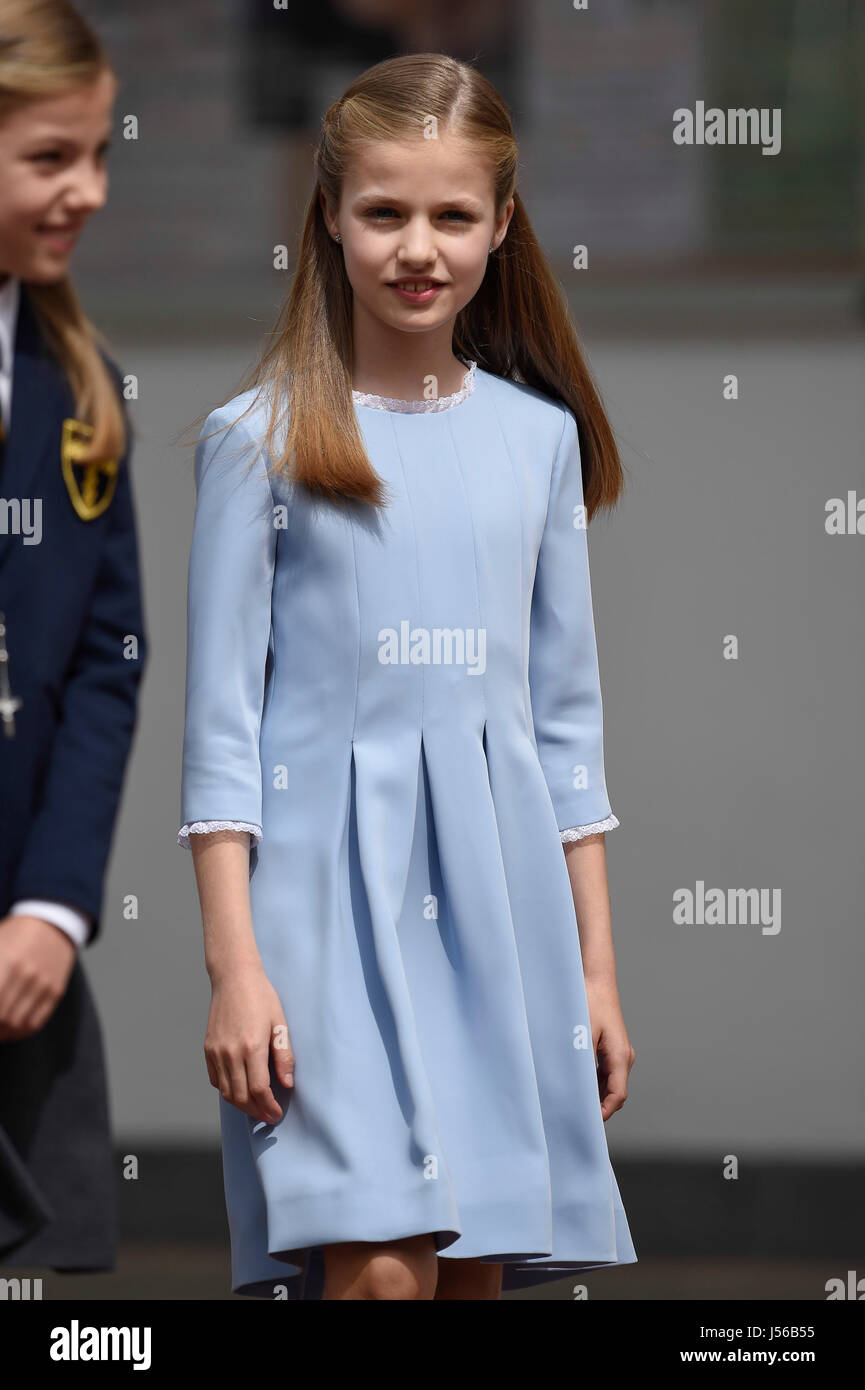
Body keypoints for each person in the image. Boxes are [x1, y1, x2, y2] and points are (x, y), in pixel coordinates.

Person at [178, 51, 636, 1301]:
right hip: (317, 917)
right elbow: (220, 732)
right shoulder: (255, 441)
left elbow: (564, 731)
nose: (417, 246)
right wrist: (235, 967)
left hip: (502, 908)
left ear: (501, 224)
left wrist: (596, 973)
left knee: (474, 1267)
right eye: (383, 211)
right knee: (377, 1268)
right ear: (328, 217)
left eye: (452, 214)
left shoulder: (538, 444)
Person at [0, 0, 147, 1275]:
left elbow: (108, 664)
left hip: (21, 966)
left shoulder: (79, 387)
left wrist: (52, 905)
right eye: (51, 158)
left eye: (98, 155)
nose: (87, 190)